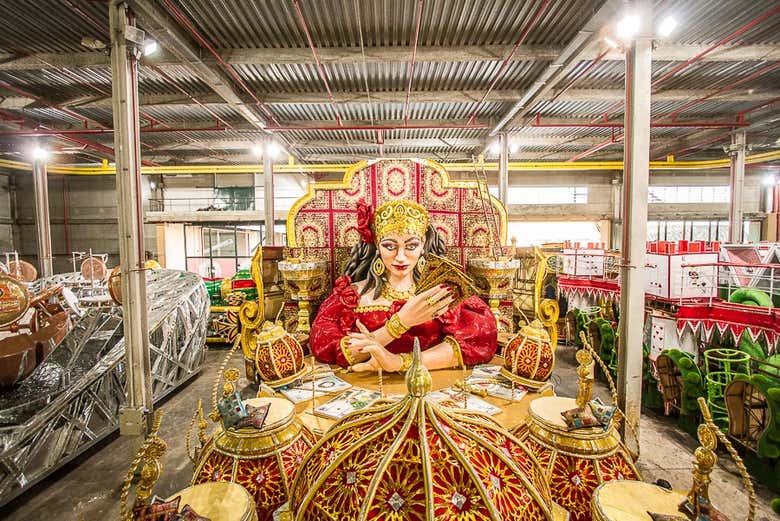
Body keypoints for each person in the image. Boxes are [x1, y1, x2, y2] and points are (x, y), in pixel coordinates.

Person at [310, 198, 497, 372]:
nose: (400, 257)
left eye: (411, 246)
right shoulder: (351, 297)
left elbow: (480, 340)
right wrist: (399, 324)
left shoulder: (442, 292)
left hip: (431, 388)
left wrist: (397, 362)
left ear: (423, 244)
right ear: (377, 245)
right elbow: (325, 346)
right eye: (390, 246)